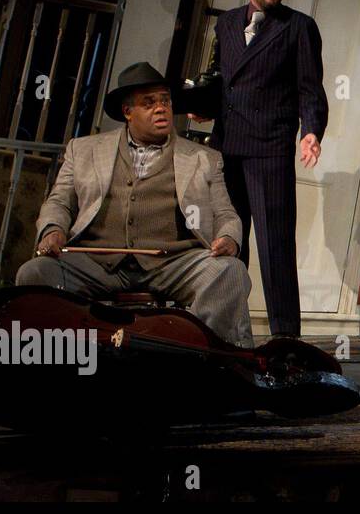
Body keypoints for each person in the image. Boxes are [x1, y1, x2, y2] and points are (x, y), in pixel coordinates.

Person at [15, 62, 252, 347]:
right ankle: (56, 356)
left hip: (172, 263)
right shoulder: (84, 149)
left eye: (165, 100)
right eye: (149, 103)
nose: (161, 108)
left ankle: (201, 359)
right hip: (96, 260)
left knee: (230, 272)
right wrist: (53, 230)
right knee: (35, 273)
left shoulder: (204, 158)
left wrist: (228, 237)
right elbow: (59, 202)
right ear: (128, 112)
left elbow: (226, 214)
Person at [202, 0, 327, 338]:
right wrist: (202, 106)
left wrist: (311, 130)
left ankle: (286, 340)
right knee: (230, 243)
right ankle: (231, 331)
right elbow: (221, 76)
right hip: (227, 146)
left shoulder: (298, 27)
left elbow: (310, 87)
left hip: (268, 148)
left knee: (275, 247)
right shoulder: (225, 23)